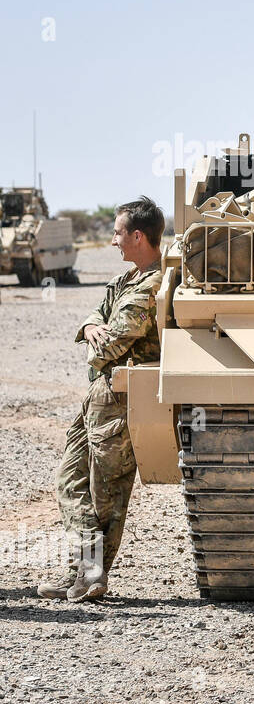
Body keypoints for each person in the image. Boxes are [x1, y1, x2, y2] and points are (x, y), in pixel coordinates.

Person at [38, 197, 165, 602]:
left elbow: (105, 346)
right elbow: (94, 318)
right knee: (68, 478)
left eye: (118, 232)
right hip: (98, 395)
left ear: (138, 236)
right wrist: (93, 326)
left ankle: (92, 574)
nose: (113, 240)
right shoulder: (128, 279)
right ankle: (83, 567)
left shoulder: (152, 284)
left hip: (120, 398)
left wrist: (97, 335)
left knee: (106, 491)